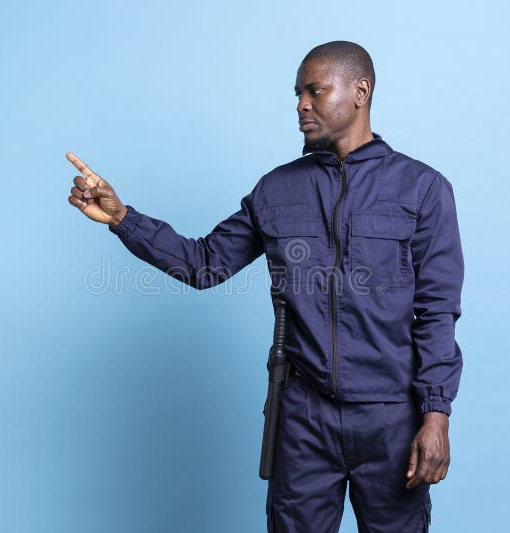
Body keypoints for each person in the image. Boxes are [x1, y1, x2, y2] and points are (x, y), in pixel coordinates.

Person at [67, 40, 464, 533]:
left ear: (360, 91)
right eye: (298, 93)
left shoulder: (422, 188)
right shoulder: (276, 189)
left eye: (315, 91)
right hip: (303, 421)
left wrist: (435, 415)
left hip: (391, 420)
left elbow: (438, 310)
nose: (301, 105)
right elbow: (204, 263)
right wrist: (123, 219)